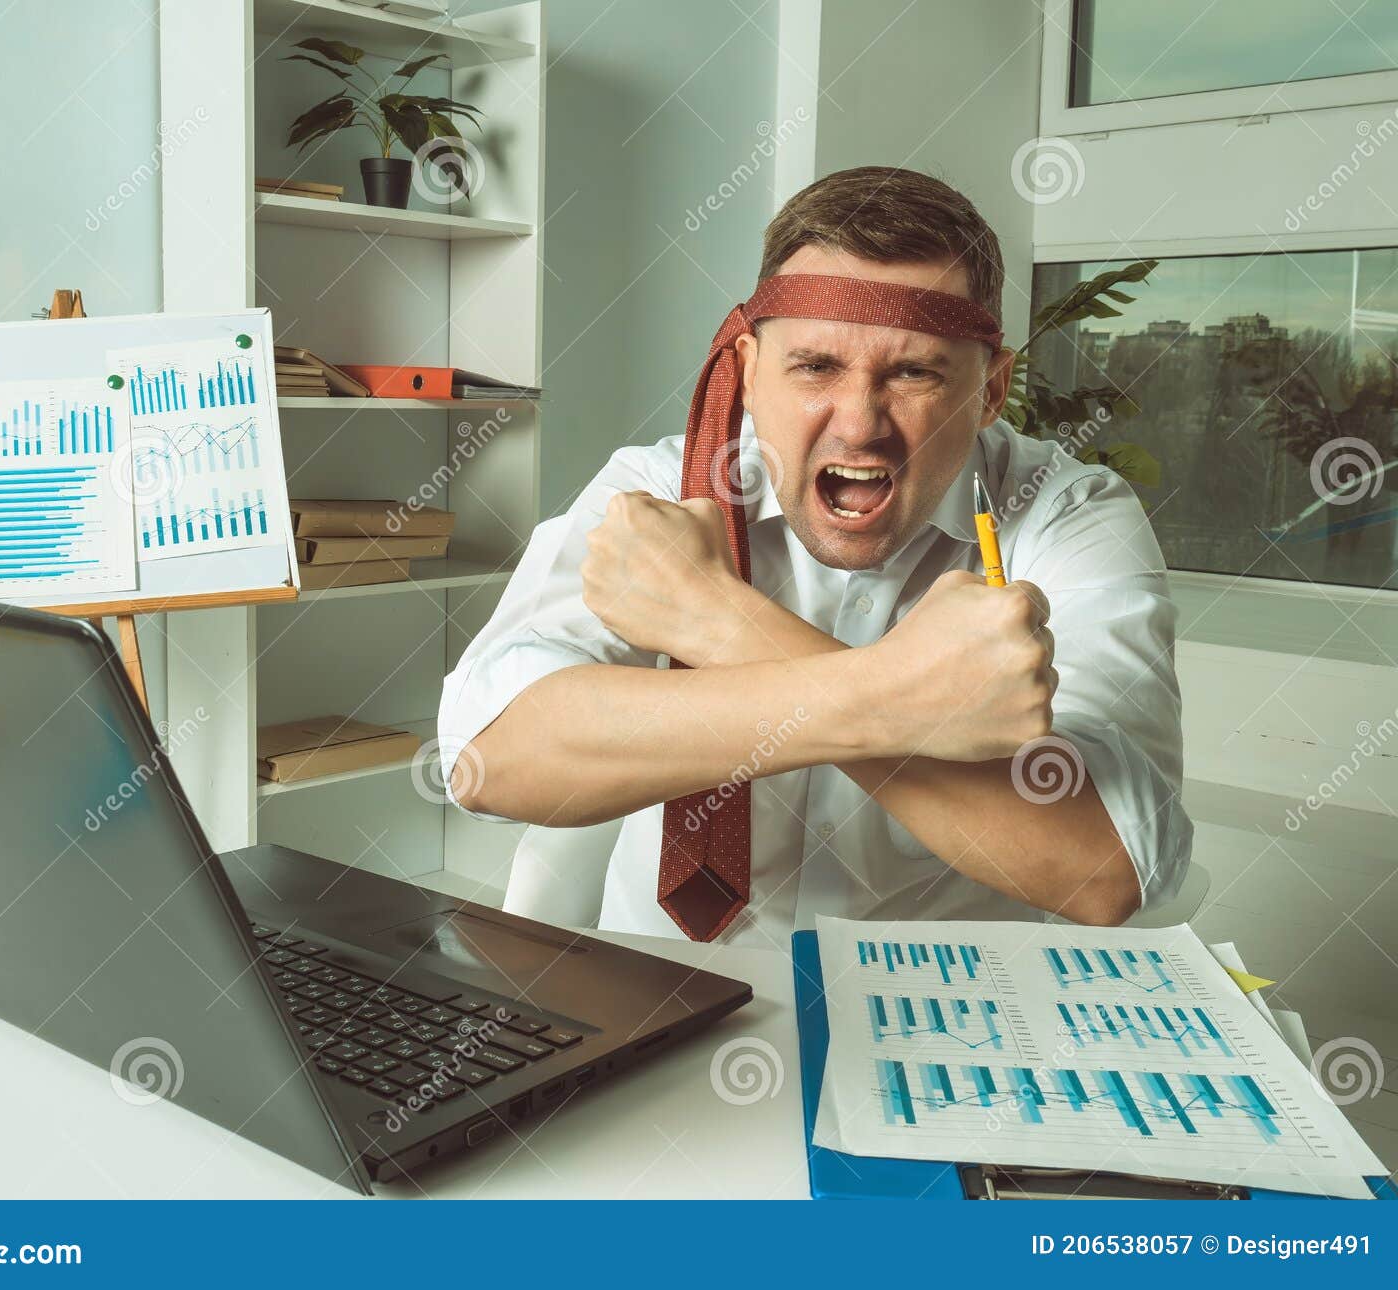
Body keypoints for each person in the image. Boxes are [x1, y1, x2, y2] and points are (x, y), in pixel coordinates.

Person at [436, 165, 1191, 947]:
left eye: (914, 371)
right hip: (663, 993)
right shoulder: (660, 492)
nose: (860, 425)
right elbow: (489, 755)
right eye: (815, 367)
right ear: (749, 374)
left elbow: (1104, 869)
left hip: (941, 1019)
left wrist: (717, 621)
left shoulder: (1067, 513)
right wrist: (902, 698)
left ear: (991, 390)